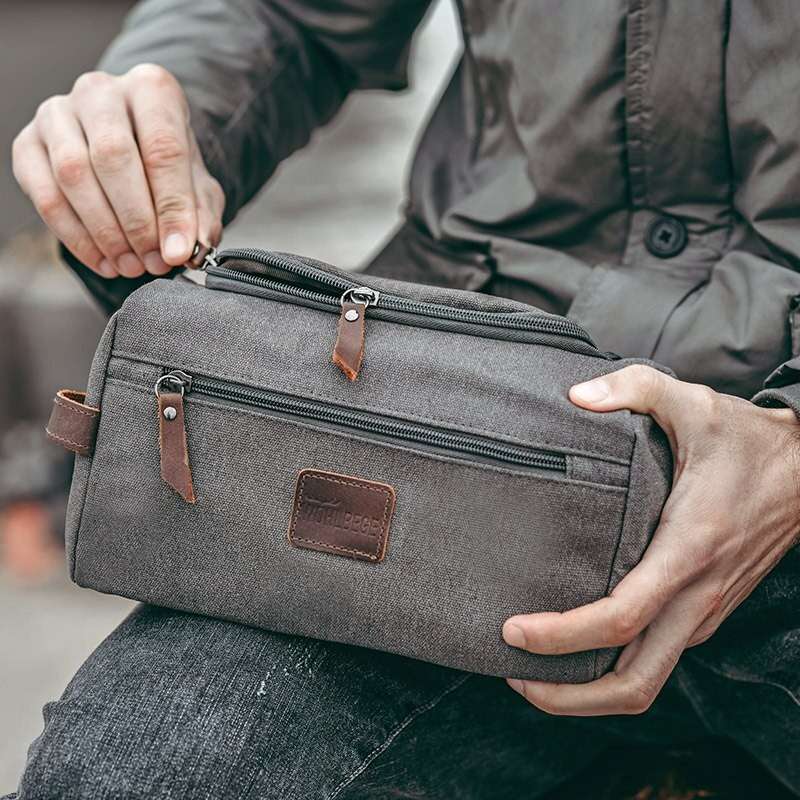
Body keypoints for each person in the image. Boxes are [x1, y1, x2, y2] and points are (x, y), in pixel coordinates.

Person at [7, 1, 800, 797]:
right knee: (129, 775)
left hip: (776, 466)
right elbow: (284, 15)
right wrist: (148, 127)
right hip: (442, 429)